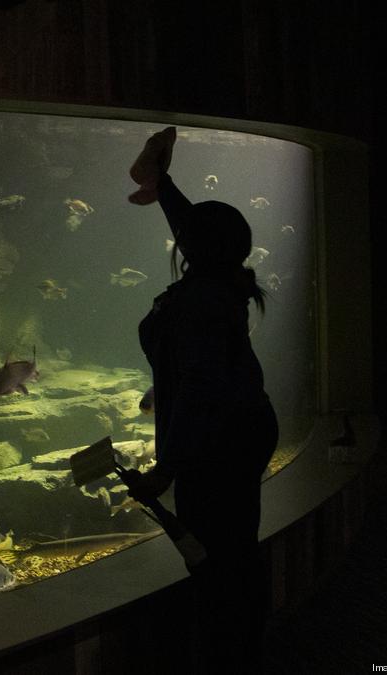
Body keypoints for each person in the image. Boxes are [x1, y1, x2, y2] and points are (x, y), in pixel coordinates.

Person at [126, 127, 280, 674]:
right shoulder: (225, 278)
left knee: (217, 556)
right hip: (244, 427)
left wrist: (167, 468)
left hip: (218, 443)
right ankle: (243, 641)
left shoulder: (200, 304)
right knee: (235, 542)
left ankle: (230, 653)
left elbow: (197, 393)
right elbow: (199, 234)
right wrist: (163, 185)